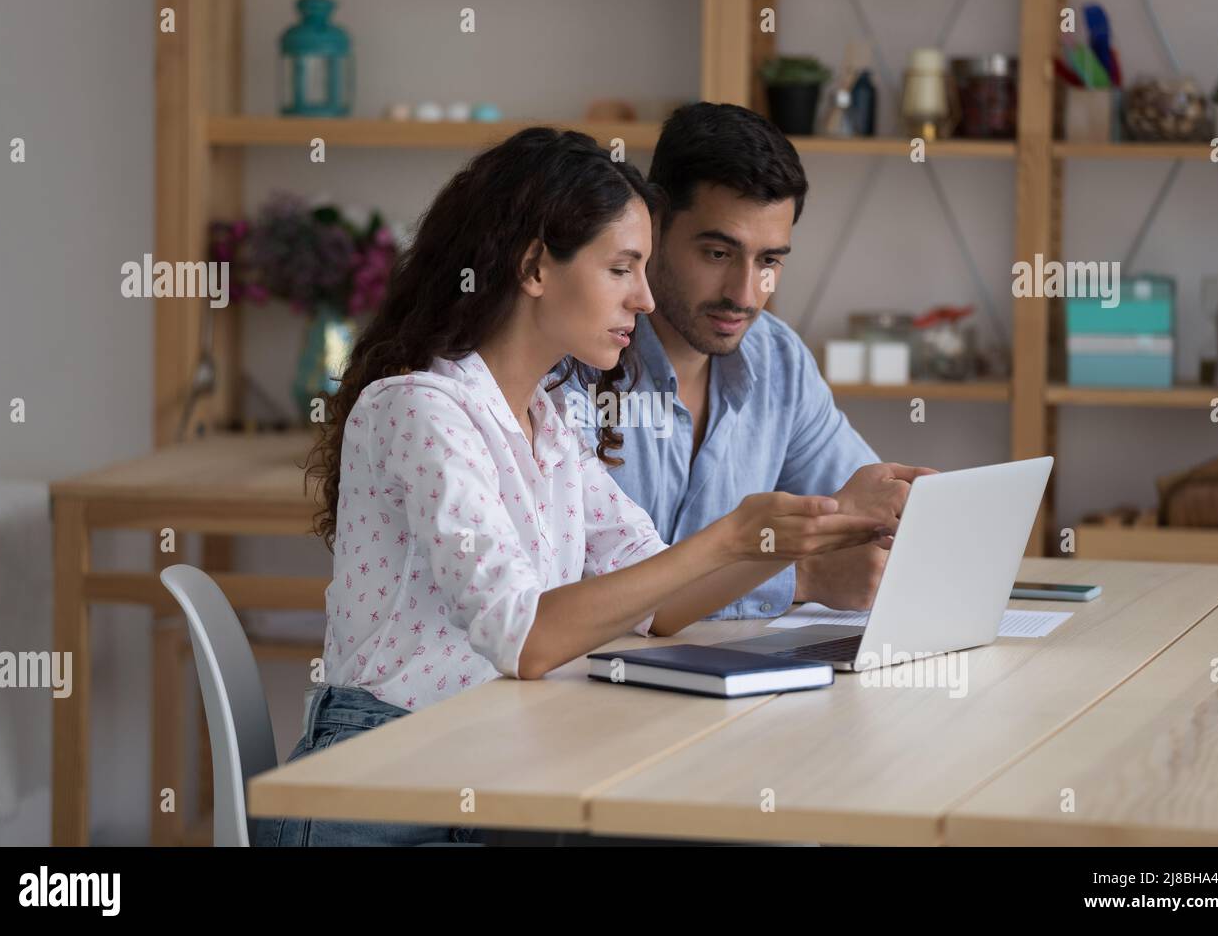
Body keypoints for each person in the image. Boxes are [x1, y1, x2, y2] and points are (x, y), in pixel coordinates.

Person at [255, 126, 894, 846]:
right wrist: (731, 536)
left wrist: (776, 541)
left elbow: (659, 601)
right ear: (535, 267)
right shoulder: (419, 408)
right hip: (385, 786)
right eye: (623, 269)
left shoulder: (552, 418)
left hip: (500, 764)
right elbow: (523, 638)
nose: (647, 300)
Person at [574, 102, 935, 619]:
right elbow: (591, 601)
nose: (744, 294)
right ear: (652, 224)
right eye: (718, 254)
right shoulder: (576, 365)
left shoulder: (777, 358)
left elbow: (858, 512)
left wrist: (890, 516)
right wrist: (801, 577)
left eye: (769, 261)